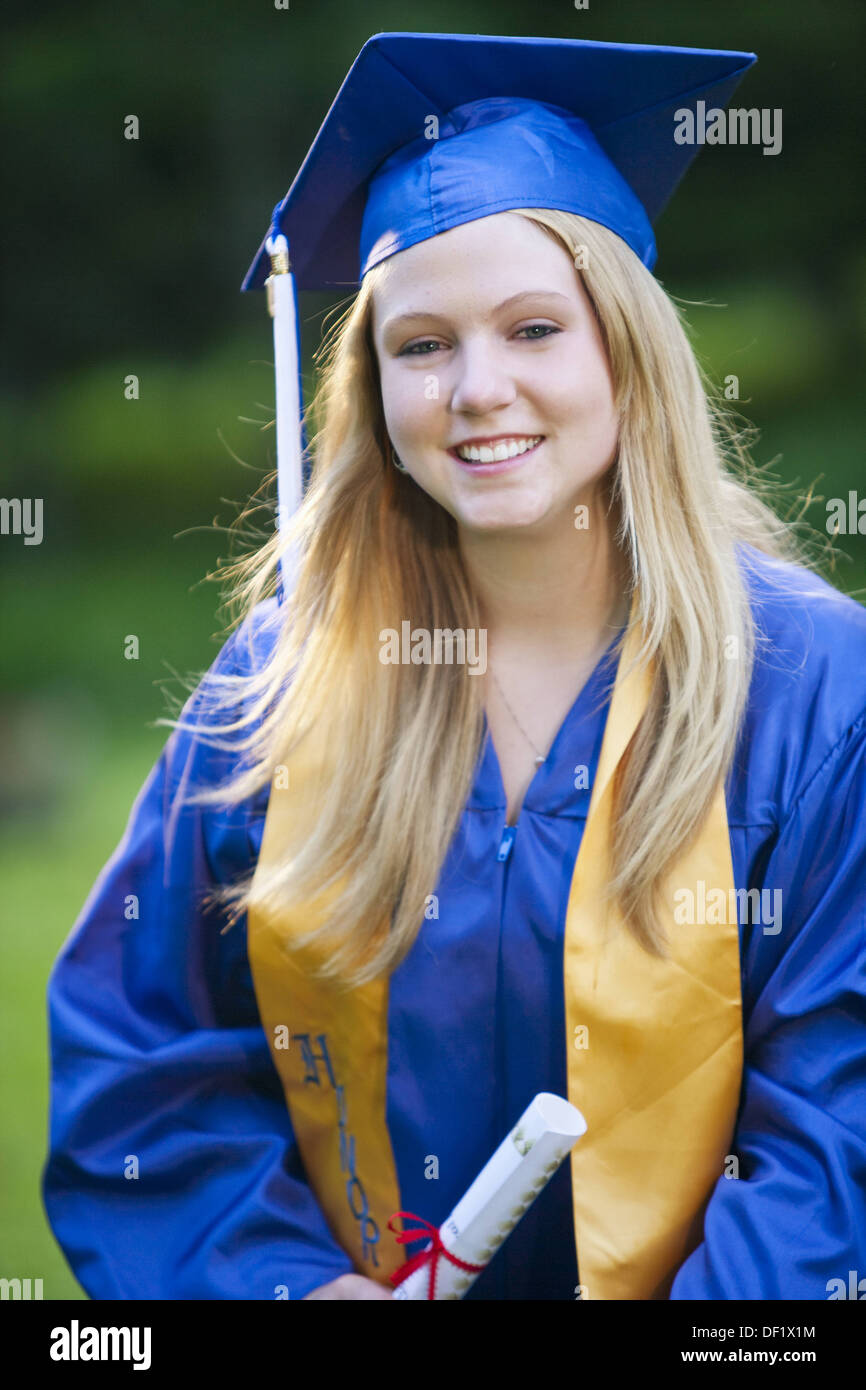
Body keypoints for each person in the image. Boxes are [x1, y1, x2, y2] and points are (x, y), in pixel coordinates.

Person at [43, 32, 866, 1301]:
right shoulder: (285, 685)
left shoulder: (815, 692)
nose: (476, 388)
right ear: (371, 389)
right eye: (420, 345)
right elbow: (141, 1060)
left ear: (627, 356)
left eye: (533, 328)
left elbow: (835, 1136)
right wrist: (287, 1289)